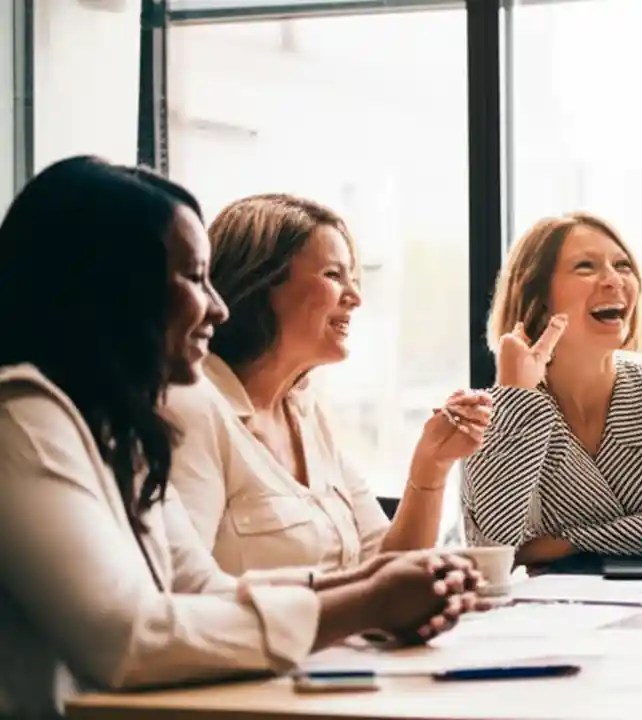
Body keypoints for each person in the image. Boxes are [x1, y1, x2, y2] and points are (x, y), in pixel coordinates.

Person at [0, 157, 482, 718]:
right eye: (192, 278)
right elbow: (128, 639)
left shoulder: (115, 435)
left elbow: (198, 588)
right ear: (111, 285)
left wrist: (368, 582)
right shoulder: (22, 419)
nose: (217, 306)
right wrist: (365, 602)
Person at [163, 194, 492, 576]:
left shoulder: (306, 410)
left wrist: (431, 466)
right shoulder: (193, 408)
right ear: (260, 283)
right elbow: (184, 595)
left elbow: (387, 571)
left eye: (352, 277)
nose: (355, 297)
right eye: (334, 276)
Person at [462, 212, 642, 565]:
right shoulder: (496, 412)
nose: (613, 281)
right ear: (539, 296)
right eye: (586, 267)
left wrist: (565, 543)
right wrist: (516, 399)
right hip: (549, 613)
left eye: (623, 266)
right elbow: (490, 552)